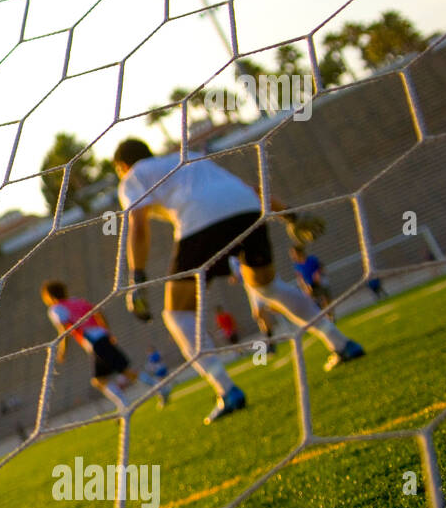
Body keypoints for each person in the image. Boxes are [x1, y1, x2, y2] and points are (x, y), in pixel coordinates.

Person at [114, 137, 364, 424]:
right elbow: (249, 190)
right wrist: (291, 215)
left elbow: (138, 223)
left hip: (199, 221)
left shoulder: (133, 177)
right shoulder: (189, 157)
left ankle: (227, 390)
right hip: (247, 210)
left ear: (122, 166)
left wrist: (137, 278)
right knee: (267, 287)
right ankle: (342, 344)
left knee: (178, 314)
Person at [40, 280, 143, 411]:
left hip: (95, 342)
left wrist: (62, 351)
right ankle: (125, 404)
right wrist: (107, 331)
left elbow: (64, 331)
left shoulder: (56, 309)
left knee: (120, 373)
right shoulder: (77, 300)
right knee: (101, 379)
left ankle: (156, 387)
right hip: (101, 338)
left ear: (48, 297)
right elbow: (98, 312)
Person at [229, 254, 277, 355]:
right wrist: (235, 278)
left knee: (262, 312)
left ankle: (271, 343)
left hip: (257, 282)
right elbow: (238, 274)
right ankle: (270, 343)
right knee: (259, 315)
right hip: (250, 287)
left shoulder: (242, 252)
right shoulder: (231, 259)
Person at [290, 245, 333, 315]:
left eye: (294, 253)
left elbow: (322, 268)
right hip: (309, 286)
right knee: (313, 303)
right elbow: (300, 278)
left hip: (319, 282)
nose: (293, 256)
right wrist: (304, 287)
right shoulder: (297, 266)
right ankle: (322, 315)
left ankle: (329, 315)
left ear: (300, 253)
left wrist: (318, 273)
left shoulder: (312, 259)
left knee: (325, 297)